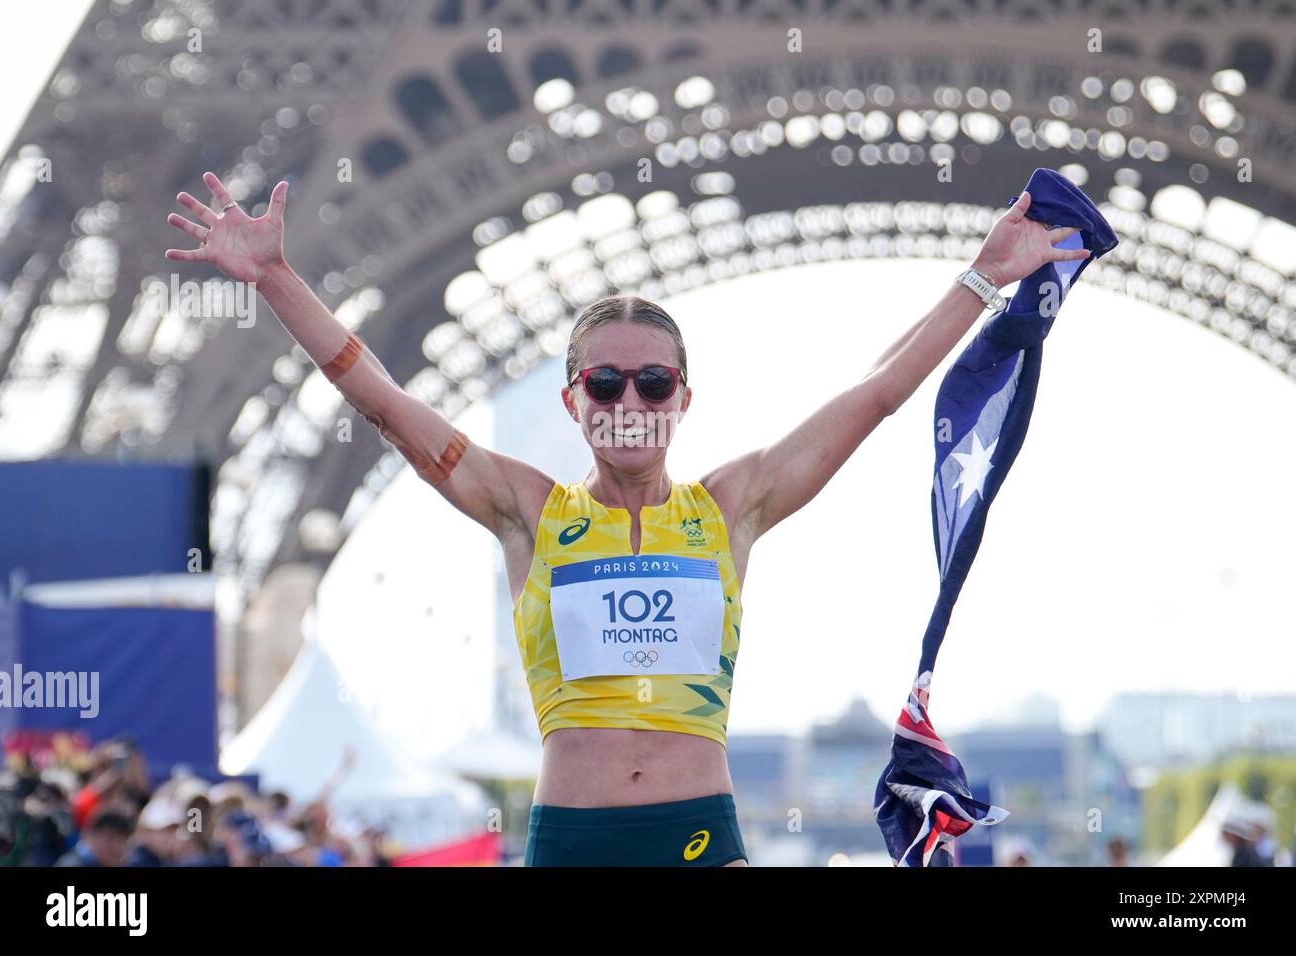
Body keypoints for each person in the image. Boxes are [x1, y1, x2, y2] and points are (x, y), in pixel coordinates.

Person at [165, 172, 1087, 866]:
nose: (630, 400)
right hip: (572, 843)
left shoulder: (734, 505)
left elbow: (877, 391)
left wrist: (981, 278)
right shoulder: (527, 511)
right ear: (572, 401)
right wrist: (276, 277)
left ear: (684, 397)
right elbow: (382, 402)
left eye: (652, 381)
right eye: (605, 382)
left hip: (701, 837)